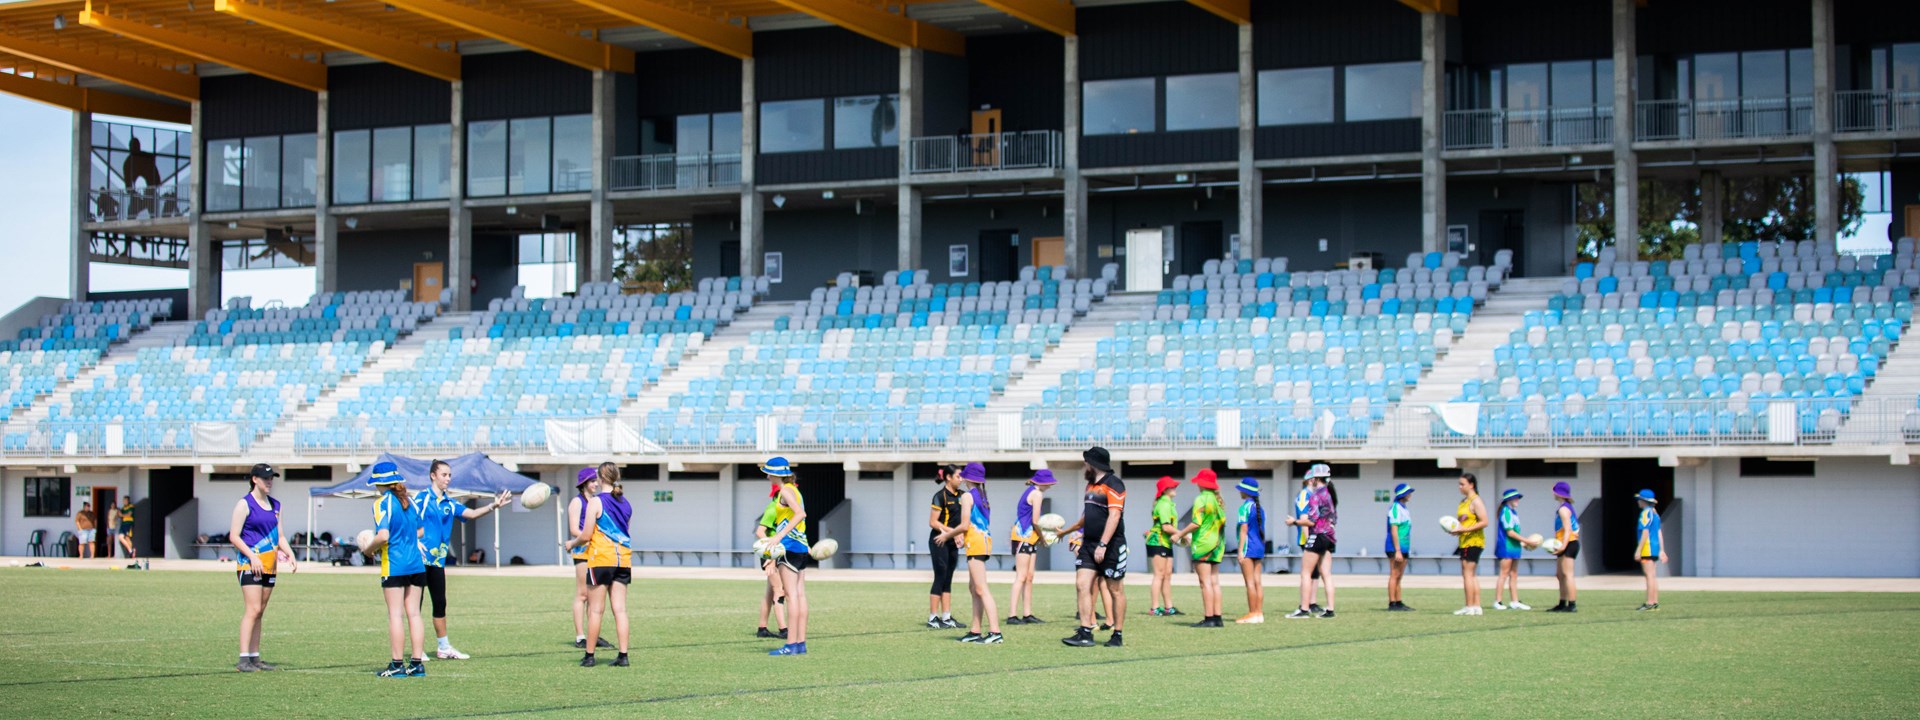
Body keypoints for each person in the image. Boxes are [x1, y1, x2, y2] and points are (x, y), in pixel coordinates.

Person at [416, 459, 512, 660]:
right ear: (433, 476)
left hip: (437, 563)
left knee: (440, 604)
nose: (448, 479)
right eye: (444, 475)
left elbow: (472, 514)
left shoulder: (450, 503)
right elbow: (410, 522)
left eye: (450, 475)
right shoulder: (422, 499)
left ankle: (443, 647)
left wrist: (493, 506)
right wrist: (415, 542)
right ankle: (418, 650)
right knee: (415, 606)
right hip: (419, 560)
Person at [363, 462, 428, 678]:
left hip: (395, 564)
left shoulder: (382, 503)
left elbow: (383, 536)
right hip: (416, 564)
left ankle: (397, 664)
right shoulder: (409, 501)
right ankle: (417, 664)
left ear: (378, 484)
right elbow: (420, 532)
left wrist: (368, 549)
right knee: (415, 614)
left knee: (395, 615)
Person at [230, 463, 295, 672]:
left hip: (269, 565)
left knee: (261, 611)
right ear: (254, 479)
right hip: (249, 565)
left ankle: (255, 657)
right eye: (265, 478)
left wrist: (290, 553)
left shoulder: (276, 505)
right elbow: (234, 536)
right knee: (253, 609)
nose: (270, 482)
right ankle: (243, 659)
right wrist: (252, 556)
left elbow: (280, 535)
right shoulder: (244, 504)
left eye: (271, 478)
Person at [565, 467, 632, 667]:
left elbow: (586, 535)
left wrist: (572, 544)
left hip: (601, 559)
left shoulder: (596, 501)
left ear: (601, 477)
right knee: (620, 610)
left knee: (595, 610)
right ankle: (623, 656)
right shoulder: (626, 502)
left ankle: (589, 656)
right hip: (623, 561)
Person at [1060, 446, 1127, 648]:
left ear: (1094, 463)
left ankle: (1117, 634)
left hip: (1111, 545)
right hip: (1088, 544)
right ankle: (1085, 632)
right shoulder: (1090, 486)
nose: (1084, 465)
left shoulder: (1114, 484)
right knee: (1082, 584)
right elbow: (1086, 516)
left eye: (1086, 462)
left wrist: (1103, 544)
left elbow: (1114, 516)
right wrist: (1066, 531)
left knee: (1115, 590)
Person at [936, 463, 1002, 644]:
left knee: (981, 589)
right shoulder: (981, 495)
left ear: (967, 478)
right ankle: (975, 630)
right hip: (982, 542)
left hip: (976, 543)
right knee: (974, 589)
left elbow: (965, 525)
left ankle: (995, 632)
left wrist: (947, 535)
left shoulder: (966, 496)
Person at [764, 457, 812, 656]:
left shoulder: (785, 491)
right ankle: (800, 643)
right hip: (800, 547)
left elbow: (800, 514)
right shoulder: (795, 490)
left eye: (769, 473)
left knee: (791, 596)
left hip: (789, 547)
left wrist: (778, 536)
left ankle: (790, 644)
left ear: (776, 475)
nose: (767, 476)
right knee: (799, 596)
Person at [1170, 470, 1225, 628]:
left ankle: (1208, 618)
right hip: (1218, 544)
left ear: (1202, 483)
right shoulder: (1217, 500)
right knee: (1214, 582)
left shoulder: (1201, 499)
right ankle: (1217, 617)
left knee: (1205, 582)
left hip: (1203, 544)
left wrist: (1179, 534)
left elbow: (1197, 523)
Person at [565, 469, 612, 650]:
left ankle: (593, 635)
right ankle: (580, 636)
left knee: (594, 597)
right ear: (584, 483)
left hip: (596, 551)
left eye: (595, 481)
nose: (595, 484)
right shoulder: (577, 502)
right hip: (582, 551)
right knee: (582, 594)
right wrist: (591, 536)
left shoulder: (595, 501)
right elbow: (574, 529)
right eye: (592, 481)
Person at [1285, 467, 1338, 619]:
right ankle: (1330, 609)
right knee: (1326, 574)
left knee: (1306, 573)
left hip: (1318, 536)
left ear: (1314, 479)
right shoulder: (1330, 495)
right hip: (1329, 536)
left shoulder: (1315, 496)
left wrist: (1293, 522)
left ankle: (1304, 609)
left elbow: (1310, 520)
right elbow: (1334, 519)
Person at [1005, 469, 1054, 626]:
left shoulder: (1033, 491)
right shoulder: (1037, 494)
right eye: (1049, 482)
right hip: (1022, 537)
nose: (1051, 485)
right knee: (1021, 576)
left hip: (1029, 538)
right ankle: (1012, 615)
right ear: (1043, 482)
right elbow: (1035, 520)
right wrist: (1043, 537)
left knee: (1029, 576)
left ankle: (1027, 614)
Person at [925, 464, 964, 629]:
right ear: (948, 477)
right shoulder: (939, 496)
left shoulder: (963, 496)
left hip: (952, 541)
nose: (961, 479)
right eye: (958, 476)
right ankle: (933, 618)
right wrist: (955, 532)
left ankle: (946, 617)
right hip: (939, 540)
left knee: (948, 578)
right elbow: (933, 522)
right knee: (940, 576)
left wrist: (958, 535)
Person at [1448, 473, 1490, 616]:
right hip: (1464, 541)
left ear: (1471, 485)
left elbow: (1484, 521)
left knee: (1467, 574)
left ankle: (1469, 606)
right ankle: (1476, 606)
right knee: (1471, 575)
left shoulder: (1476, 501)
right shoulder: (1463, 502)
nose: (1460, 487)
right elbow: (1464, 522)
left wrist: (1464, 529)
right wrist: (1456, 529)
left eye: (1462, 484)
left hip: (1473, 541)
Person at [753, 476, 789, 640]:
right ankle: (784, 630)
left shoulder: (783, 510)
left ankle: (762, 628)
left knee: (769, 592)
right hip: (771, 554)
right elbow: (760, 531)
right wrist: (771, 552)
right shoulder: (773, 508)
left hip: (778, 552)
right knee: (779, 591)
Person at [1493, 488, 1539, 611]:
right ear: (1509, 500)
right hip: (1506, 546)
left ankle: (1514, 601)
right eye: (1515, 498)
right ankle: (1498, 601)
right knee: (1504, 574)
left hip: (1515, 547)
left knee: (1513, 574)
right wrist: (1527, 541)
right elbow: (1510, 532)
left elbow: (1515, 531)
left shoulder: (1514, 512)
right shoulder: (1506, 511)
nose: (1518, 500)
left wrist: (1523, 544)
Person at [1144, 476, 1182, 618]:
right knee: (1159, 575)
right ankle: (1154, 608)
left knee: (1167, 575)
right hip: (1157, 541)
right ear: (1164, 490)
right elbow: (1166, 527)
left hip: (1165, 542)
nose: (1174, 488)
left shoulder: (1169, 503)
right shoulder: (1164, 504)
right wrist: (1183, 534)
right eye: (1172, 487)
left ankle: (1168, 607)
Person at [1234, 477, 1266, 624]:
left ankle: (1252, 613)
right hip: (1259, 547)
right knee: (1257, 582)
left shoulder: (1244, 507)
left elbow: (1243, 530)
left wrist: (1240, 551)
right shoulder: (1260, 508)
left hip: (1248, 547)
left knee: (1249, 583)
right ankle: (1259, 613)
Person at [1546, 481, 1582, 613]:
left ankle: (1571, 604)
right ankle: (1562, 602)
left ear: (1557, 493)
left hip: (1569, 543)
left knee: (1568, 574)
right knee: (1560, 575)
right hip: (1564, 543)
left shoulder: (1563, 509)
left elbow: (1568, 530)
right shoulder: (1564, 507)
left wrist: (1563, 547)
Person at [1385, 483, 1415, 611]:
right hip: (1395, 547)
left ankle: (1399, 601)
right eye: (1408, 493)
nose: (1410, 495)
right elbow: (1394, 530)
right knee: (1394, 574)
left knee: (1399, 576)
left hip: (1404, 547)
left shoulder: (1404, 509)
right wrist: (1397, 550)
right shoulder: (1395, 509)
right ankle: (1392, 602)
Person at [1635, 489, 1666, 611]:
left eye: (1639, 500)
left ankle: (1649, 602)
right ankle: (1654, 601)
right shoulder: (1655, 514)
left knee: (1649, 576)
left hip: (1647, 548)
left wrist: (1638, 550)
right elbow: (1659, 532)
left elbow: (1645, 532)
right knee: (1653, 576)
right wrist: (1662, 549)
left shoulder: (1645, 513)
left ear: (1643, 501)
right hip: (1654, 547)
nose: (1638, 502)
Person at [116, 496, 138, 562]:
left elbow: (129, 514)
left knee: (127, 538)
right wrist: (120, 513)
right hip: (123, 524)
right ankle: (131, 551)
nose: (124, 501)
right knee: (120, 537)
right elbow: (119, 514)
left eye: (125, 500)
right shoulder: (123, 508)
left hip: (129, 524)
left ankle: (131, 552)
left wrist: (122, 515)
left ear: (128, 501)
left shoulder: (131, 506)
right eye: (123, 500)